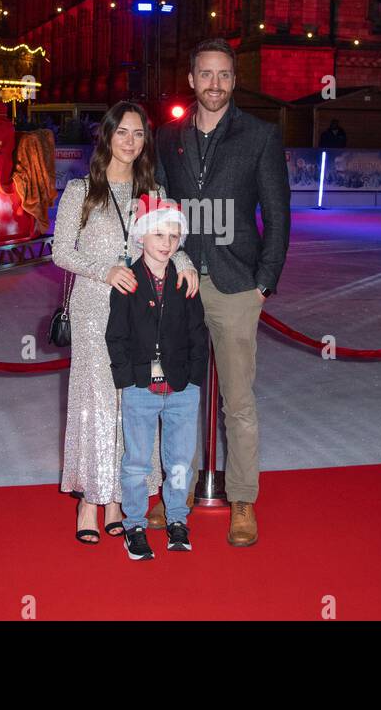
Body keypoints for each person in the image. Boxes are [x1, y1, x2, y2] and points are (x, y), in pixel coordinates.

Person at [151, 38, 291, 547]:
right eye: (206, 74)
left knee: (238, 402)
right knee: (175, 398)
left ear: (234, 81)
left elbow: (277, 215)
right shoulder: (168, 137)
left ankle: (243, 501)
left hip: (236, 285)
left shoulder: (259, 136)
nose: (214, 84)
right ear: (191, 80)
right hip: (181, 281)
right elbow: (162, 206)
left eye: (224, 76)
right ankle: (176, 496)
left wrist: (264, 282)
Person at [51, 101, 199, 544]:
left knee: (130, 406)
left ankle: (119, 497)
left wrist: (186, 261)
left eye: (139, 134)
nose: (131, 142)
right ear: (107, 136)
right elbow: (61, 251)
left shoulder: (151, 191)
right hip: (95, 308)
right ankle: (89, 501)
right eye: (123, 133)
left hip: (140, 312)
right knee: (97, 406)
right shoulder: (82, 190)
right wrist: (105, 271)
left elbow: (171, 238)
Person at [106, 195, 209, 560]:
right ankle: (134, 523)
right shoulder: (129, 281)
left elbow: (199, 332)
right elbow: (115, 335)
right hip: (140, 387)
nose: (166, 244)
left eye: (173, 236)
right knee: (136, 460)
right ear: (142, 237)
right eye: (159, 235)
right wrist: (125, 380)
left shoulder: (184, 281)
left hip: (182, 387)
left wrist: (195, 378)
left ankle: (177, 518)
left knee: (179, 460)